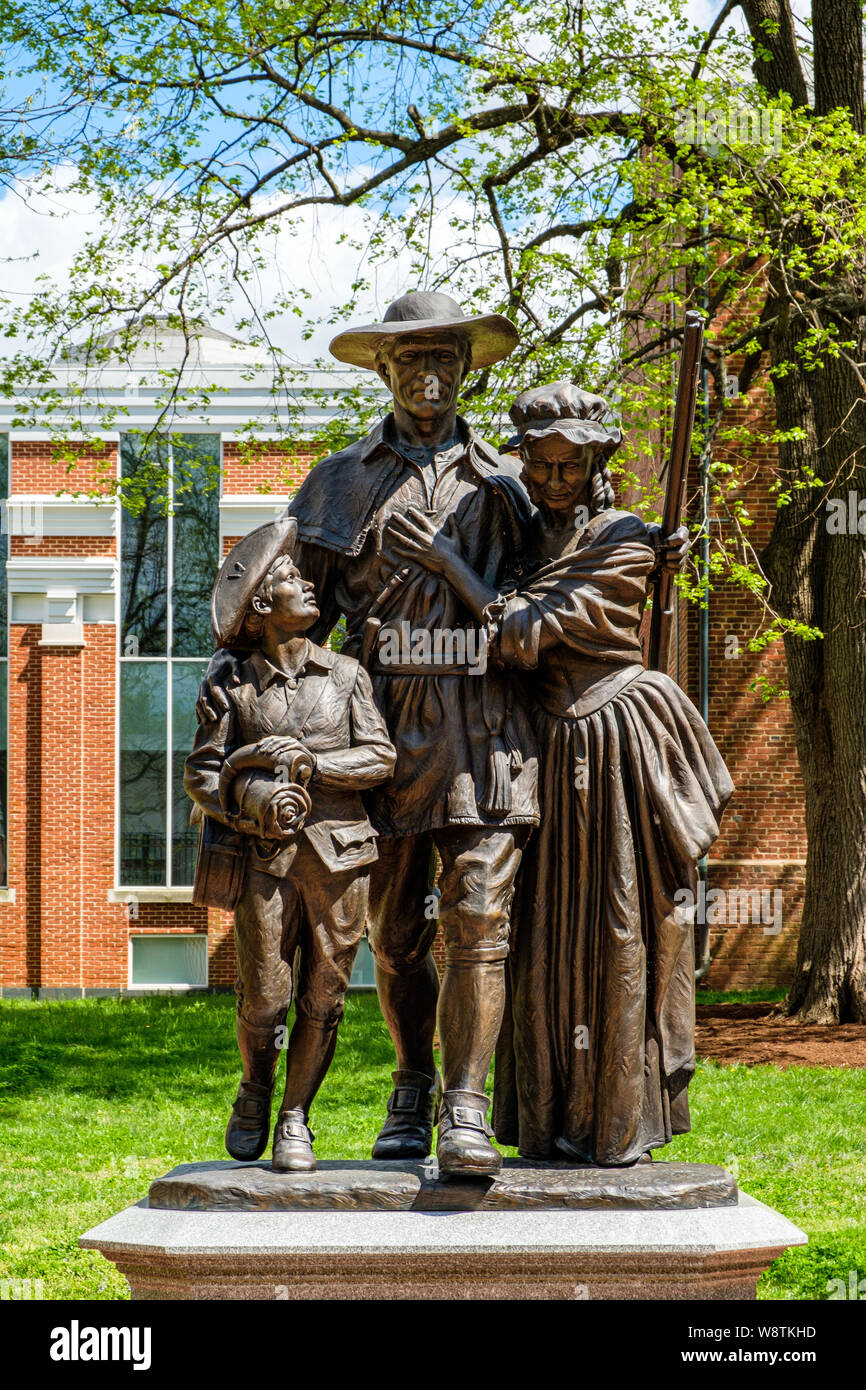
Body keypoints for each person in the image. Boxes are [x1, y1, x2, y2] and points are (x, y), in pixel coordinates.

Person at [198, 291, 539, 1176]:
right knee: (394, 933)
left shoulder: (508, 482)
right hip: (377, 720)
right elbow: (276, 605)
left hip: (486, 719)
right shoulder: (339, 481)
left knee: (478, 914)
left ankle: (468, 1107)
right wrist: (232, 698)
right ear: (384, 370)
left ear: (469, 370)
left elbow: (554, 590)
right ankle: (413, 1082)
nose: (430, 378)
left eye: (447, 362)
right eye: (411, 361)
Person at [387, 381, 733, 1166]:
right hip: (538, 747)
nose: (551, 481)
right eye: (539, 466)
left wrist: (447, 563)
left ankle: (617, 1118)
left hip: (610, 740)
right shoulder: (519, 534)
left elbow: (521, 632)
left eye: (568, 468)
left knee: (617, 927)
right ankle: (550, 1121)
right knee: (540, 941)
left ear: (596, 463)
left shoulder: (624, 537)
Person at [185, 516, 395, 1171]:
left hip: (341, 857)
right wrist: (247, 797)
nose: (306, 587)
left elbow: (380, 757)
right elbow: (203, 770)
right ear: (260, 608)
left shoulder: (347, 677)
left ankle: (296, 1118)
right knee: (265, 998)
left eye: (304, 580)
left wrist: (313, 764)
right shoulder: (234, 682)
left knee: (324, 998)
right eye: (290, 582)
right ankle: (254, 1087)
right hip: (262, 859)